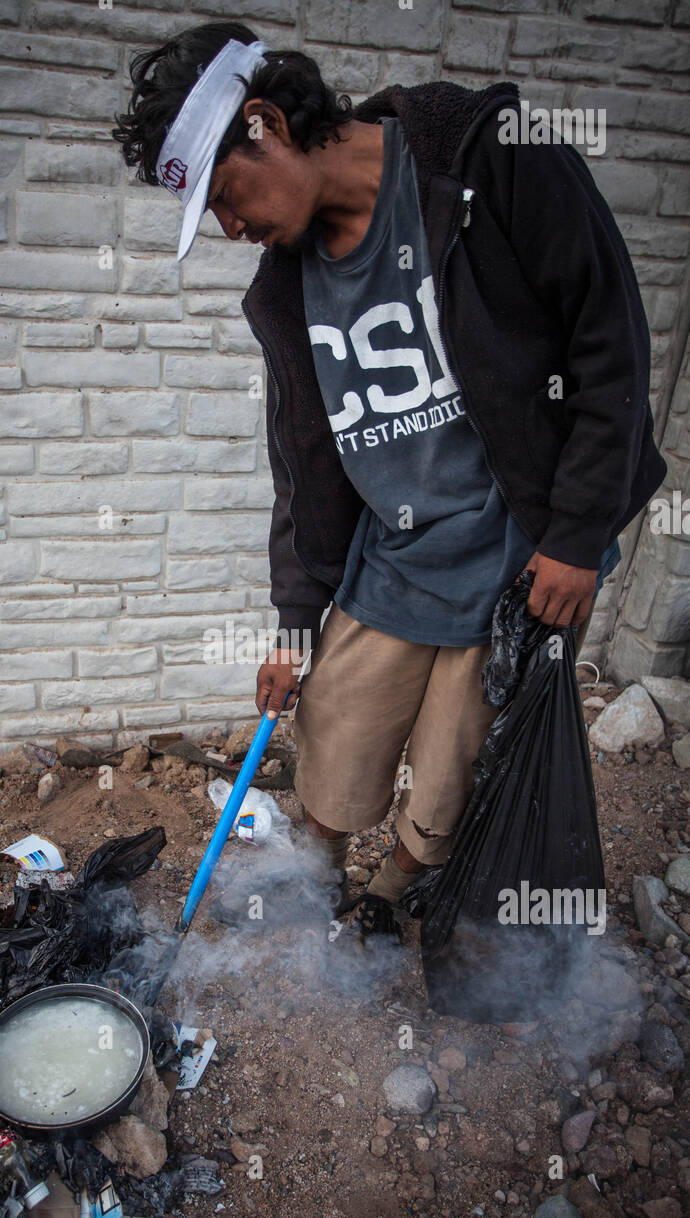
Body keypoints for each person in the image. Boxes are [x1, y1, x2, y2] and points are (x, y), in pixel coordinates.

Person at [112, 24, 667, 999]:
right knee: (333, 733)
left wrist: (577, 537)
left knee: (451, 770)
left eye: (226, 200)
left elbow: (605, 338)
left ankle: (392, 887)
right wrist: (291, 621)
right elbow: (304, 465)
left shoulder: (484, 160)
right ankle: (309, 882)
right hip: (388, 560)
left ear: (266, 123)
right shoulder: (286, 291)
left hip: (510, 565)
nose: (231, 232)